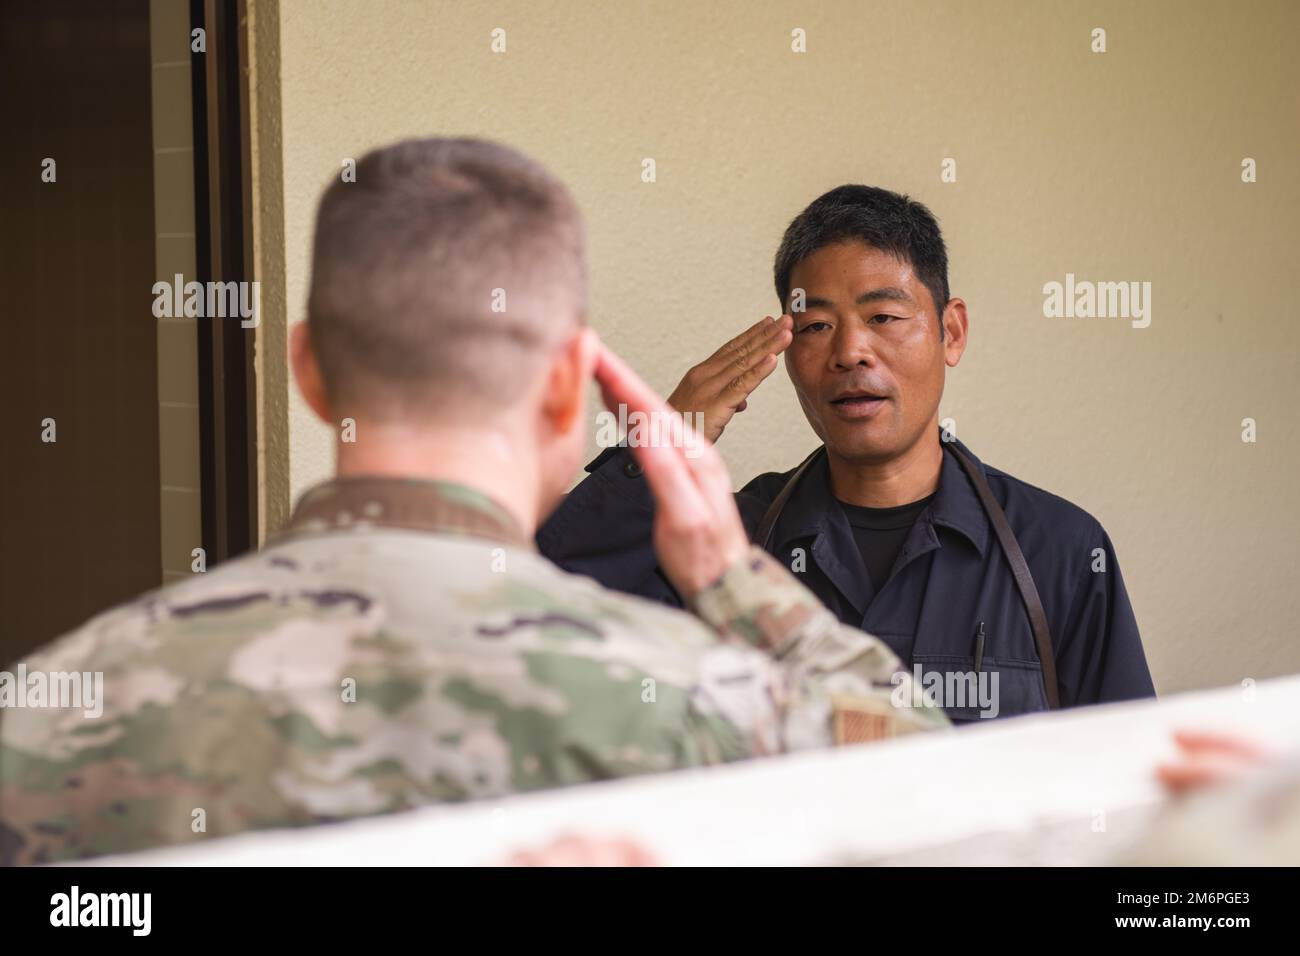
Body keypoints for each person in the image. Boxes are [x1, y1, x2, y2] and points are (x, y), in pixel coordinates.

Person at [0, 139, 945, 866]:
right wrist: (732, 578)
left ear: (311, 372)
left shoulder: (58, 706)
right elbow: (932, 779)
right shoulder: (691, 698)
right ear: (568, 383)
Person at [540, 185, 1155, 721]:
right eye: (814, 327)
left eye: (884, 316)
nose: (850, 352)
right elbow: (538, 604)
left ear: (952, 332)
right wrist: (659, 451)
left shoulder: (1060, 553)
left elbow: (1133, 782)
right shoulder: (727, 544)